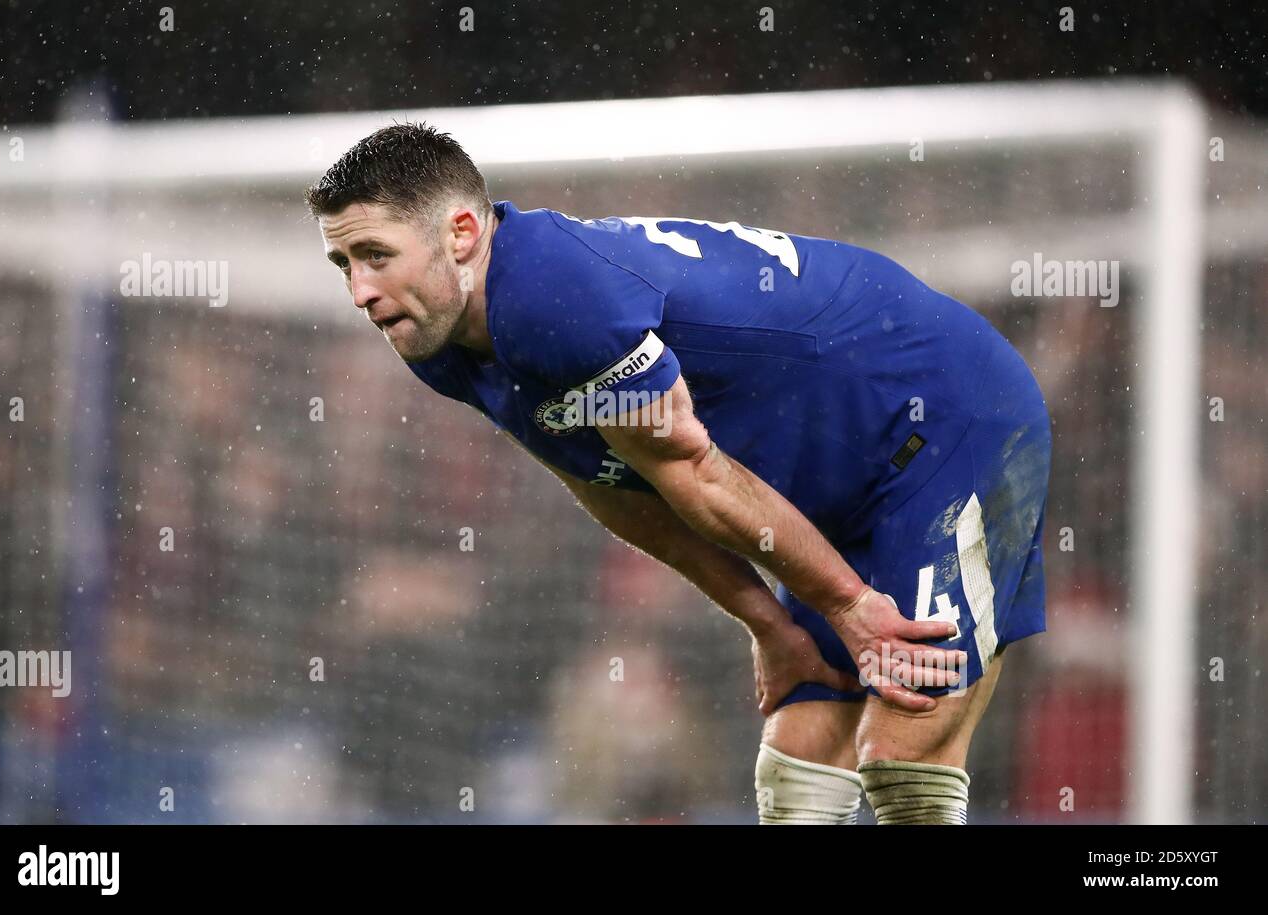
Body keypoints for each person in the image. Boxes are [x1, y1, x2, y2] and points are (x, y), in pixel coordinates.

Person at [305, 122, 1052, 825]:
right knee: (797, 761)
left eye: (376, 254)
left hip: (945, 418)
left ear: (461, 234)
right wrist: (768, 620)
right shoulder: (442, 343)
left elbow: (693, 468)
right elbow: (610, 486)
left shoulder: (550, 297)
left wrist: (850, 606)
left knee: (901, 749)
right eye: (344, 264)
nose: (360, 291)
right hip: (838, 479)